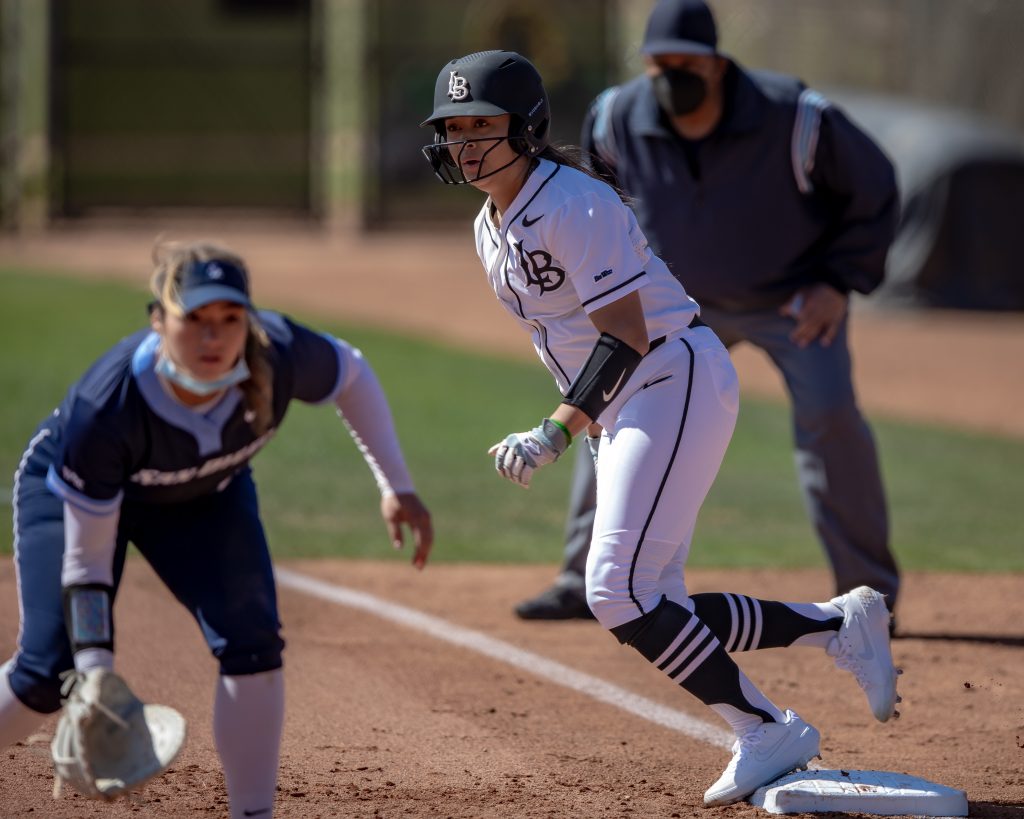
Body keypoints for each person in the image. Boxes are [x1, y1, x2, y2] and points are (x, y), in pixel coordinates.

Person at [420, 48, 900, 806]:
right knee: (651, 597)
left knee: (614, 589)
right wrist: (588, 421)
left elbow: (626, 334)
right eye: (453, 129)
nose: (465, 143)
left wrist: (554, 431)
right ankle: (837, 624)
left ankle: (764, 728)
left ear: (527, 127)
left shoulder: (574, 203)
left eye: (483, 125)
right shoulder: (491, 223)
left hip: (670, 378)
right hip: (631, 401)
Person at [0, 241, 433, 817]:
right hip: (77, 498)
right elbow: (87, 561)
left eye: (230, 318)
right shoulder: (107, 408)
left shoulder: (278, 354)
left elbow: (350, 372)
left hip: (204, 493)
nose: (214, 337)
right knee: (46, 673)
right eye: (195, 318)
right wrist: (96, 670)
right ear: (158, 320)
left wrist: (396, 485)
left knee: (253, 643)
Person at [515, 0, 902, 624]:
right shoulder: (617, 117)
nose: (671, 76)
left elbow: (874, 187)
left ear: (718, 64)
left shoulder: (795, 116)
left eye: (686, 64)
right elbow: (590, 205)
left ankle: (870, 596)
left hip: (792, 302)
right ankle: (579, 576)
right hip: (672, 308)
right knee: (608, 406)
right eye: (658, 64)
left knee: (832, 418)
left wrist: (839, 281)